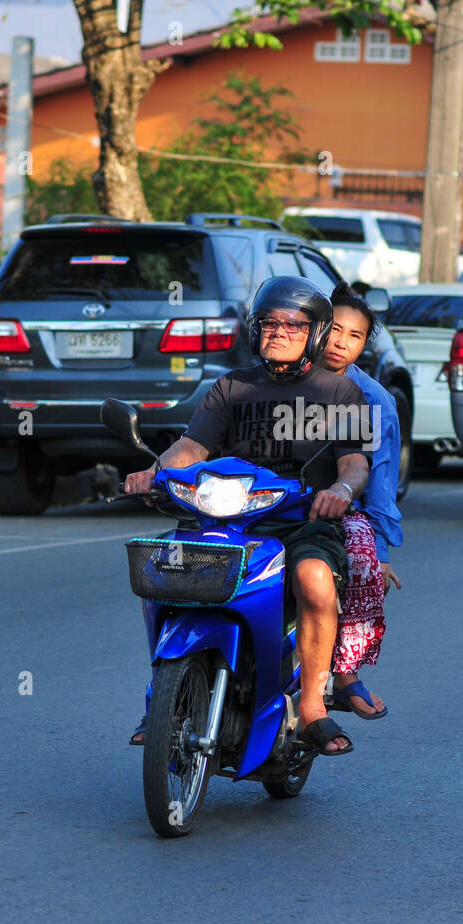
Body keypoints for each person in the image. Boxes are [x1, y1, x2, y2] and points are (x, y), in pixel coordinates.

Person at [124, 276, 374, 756]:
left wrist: (340, 490)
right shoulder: (230, 386)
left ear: (316, 333)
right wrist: (153, 472)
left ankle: (312, 709)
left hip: (301, 518)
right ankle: (163, 698)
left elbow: (354, 462)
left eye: (292, 324)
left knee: (315, 579)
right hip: (226, 518)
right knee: (164, 568)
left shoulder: (340, 392)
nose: (277, 332)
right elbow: (191, 448)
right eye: (268, 323)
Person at [319, 282, 402, 721]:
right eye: (333, 329)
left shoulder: (376, 401)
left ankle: (345, 674)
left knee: (365, 564)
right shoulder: (276, 375)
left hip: (341, 510)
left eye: (353, 335)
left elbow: (381, 484)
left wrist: (382, 549)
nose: (339, 342)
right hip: (260, 501)